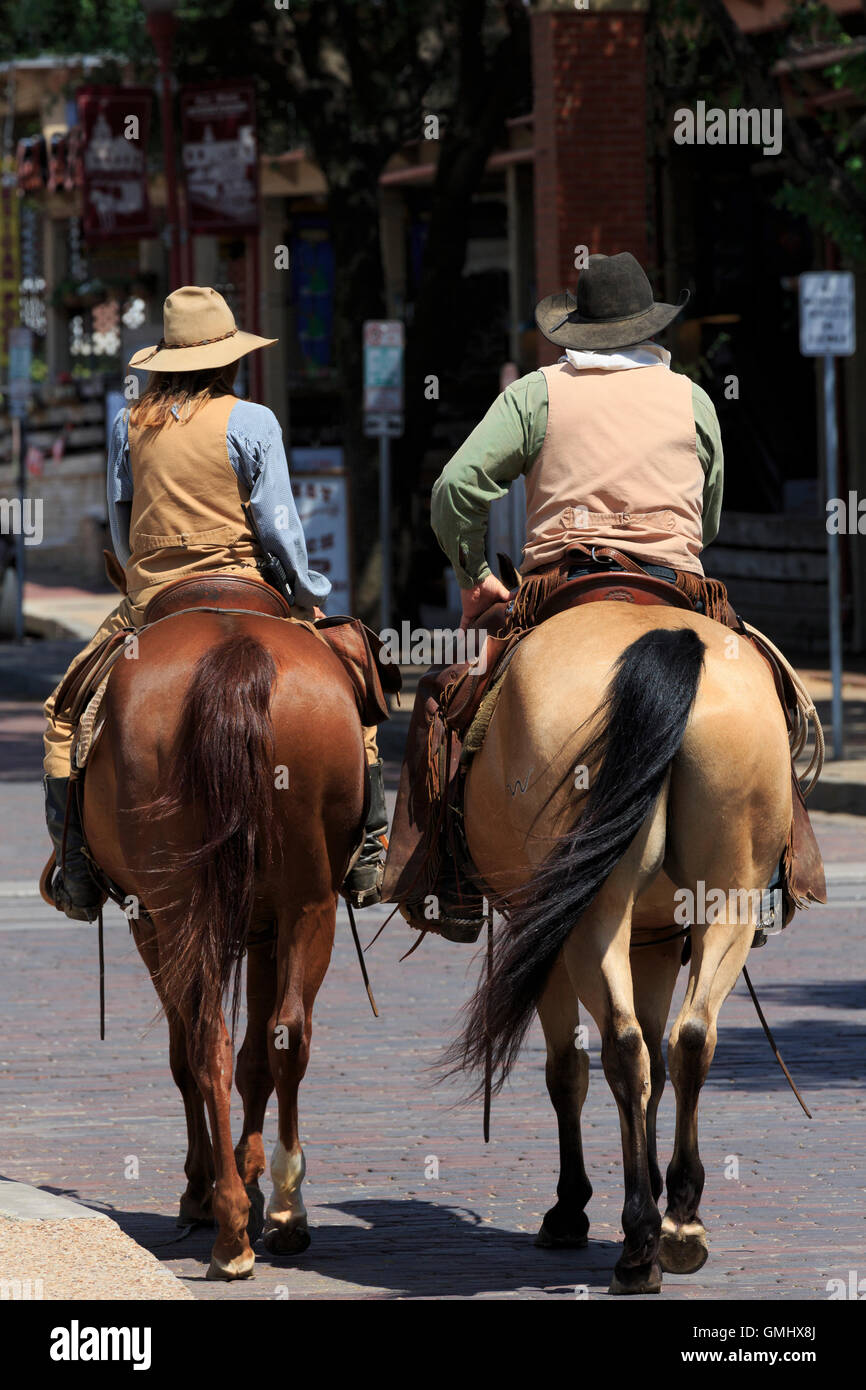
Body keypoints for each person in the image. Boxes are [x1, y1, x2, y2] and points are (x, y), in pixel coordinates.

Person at [43, 285, 386, 921]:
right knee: (353, 683)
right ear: (230, 359)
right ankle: (369, 845)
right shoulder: (253, 420)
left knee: (67, 714)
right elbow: (279, 525)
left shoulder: (129, 422)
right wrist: (306, 594)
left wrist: (140, 583)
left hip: (153, 599)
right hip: (250, 583)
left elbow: (122, 524)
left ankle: (77, 865)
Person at [431, 251, 723, 630]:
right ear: (651, 326)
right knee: (766, 672)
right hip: (675, 583)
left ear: (579, 327)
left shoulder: (534, 394)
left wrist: (475, 577)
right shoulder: (694, 400)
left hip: (560, 585)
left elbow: (454, 488)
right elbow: (707, 522)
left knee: (454, 683)